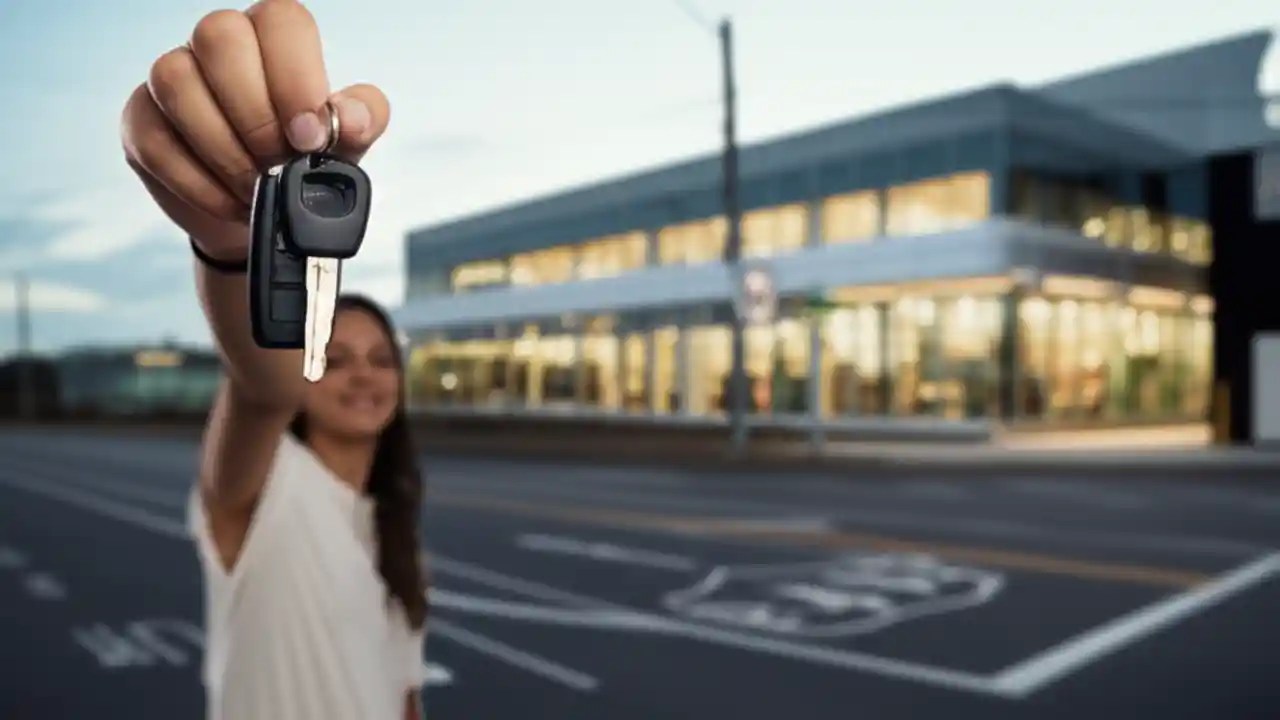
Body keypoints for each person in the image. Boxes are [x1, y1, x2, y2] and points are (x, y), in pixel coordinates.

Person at [118, 1, 427, 718]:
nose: (364, 375)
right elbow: (262, 383)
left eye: (382, 360)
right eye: (338, 356)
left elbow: (405, 697)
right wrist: (235, 241)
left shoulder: (396, 530)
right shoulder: (259, 489)